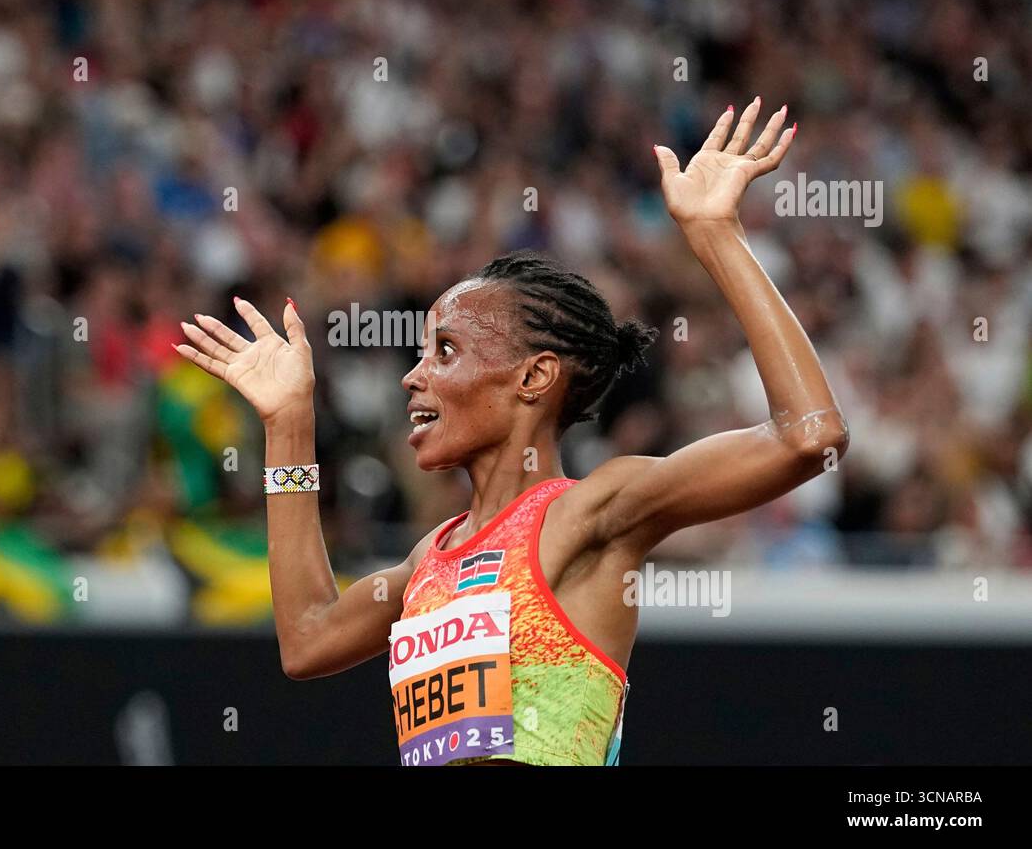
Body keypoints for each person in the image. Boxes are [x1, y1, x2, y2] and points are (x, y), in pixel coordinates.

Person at [174, 99, 849, 765]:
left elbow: (809, 437)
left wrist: (713, 234)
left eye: (444, 352)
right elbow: (306, 640)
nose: (413, 378)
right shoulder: (425, 564)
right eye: (418, 354)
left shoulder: (592, 513)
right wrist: (289, 425)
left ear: (533, 378)